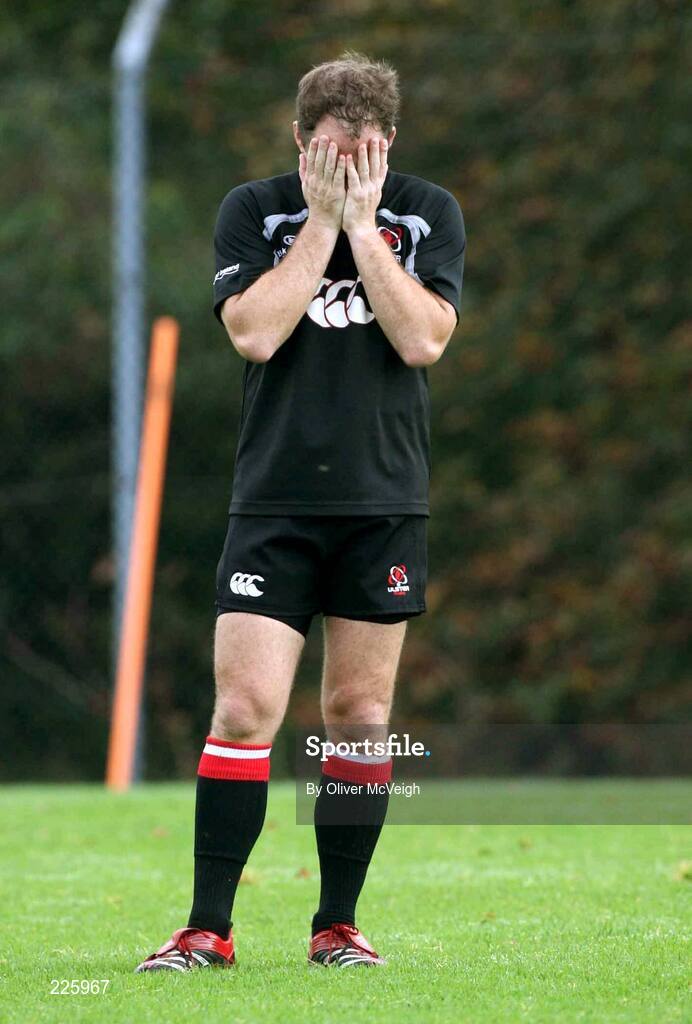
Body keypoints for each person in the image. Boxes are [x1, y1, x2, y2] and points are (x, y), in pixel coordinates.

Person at [136, 50, 465, 972]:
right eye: (329, 152)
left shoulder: (427, 211)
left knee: (359, 716)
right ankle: (207, 928)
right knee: (244, 709)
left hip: (383, 501)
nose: (347, 167)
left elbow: (423, 338)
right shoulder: (256, 209)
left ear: (389, 142)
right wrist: (320, 226)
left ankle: (338, 927)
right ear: (298, 141)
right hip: (273, 500)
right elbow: (254, 330)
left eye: (363, 153)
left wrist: (366, 226)